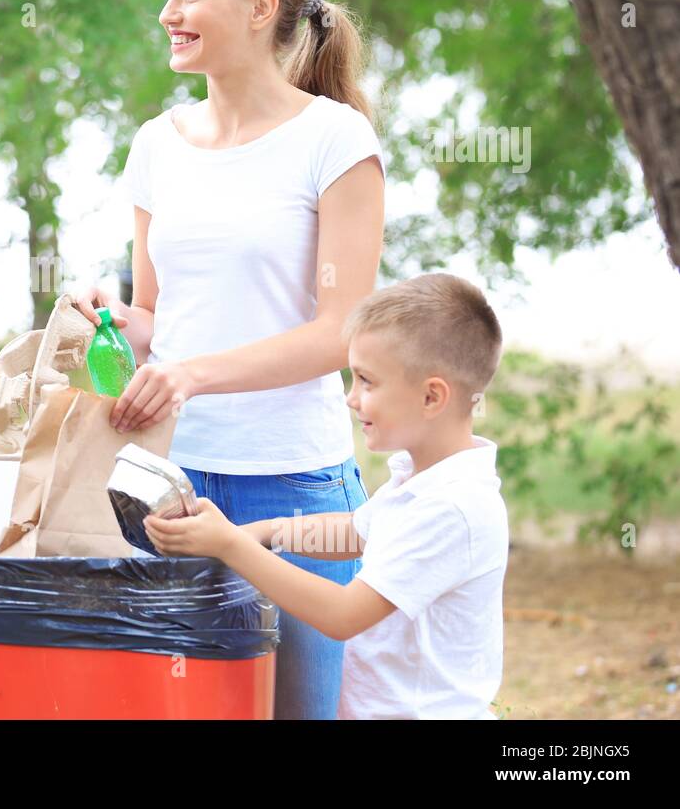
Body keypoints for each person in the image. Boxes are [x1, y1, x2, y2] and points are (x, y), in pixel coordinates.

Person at [73, 0, 384, 718]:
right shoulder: (156, 144)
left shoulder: (335, 141)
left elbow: (340, 333)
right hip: (161, 485)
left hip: (295, 487)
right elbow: (153, 321)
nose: (168, 15)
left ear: (261, 7)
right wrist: (106, 311)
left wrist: (188, 375)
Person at [146, 274, 508, 720]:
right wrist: (262, 532)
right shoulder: (421, 478)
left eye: (366, 381)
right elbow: (355, 532)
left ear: (432, 396)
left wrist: (231, 546)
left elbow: (343, 613)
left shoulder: (452, 506)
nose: (351, 399)